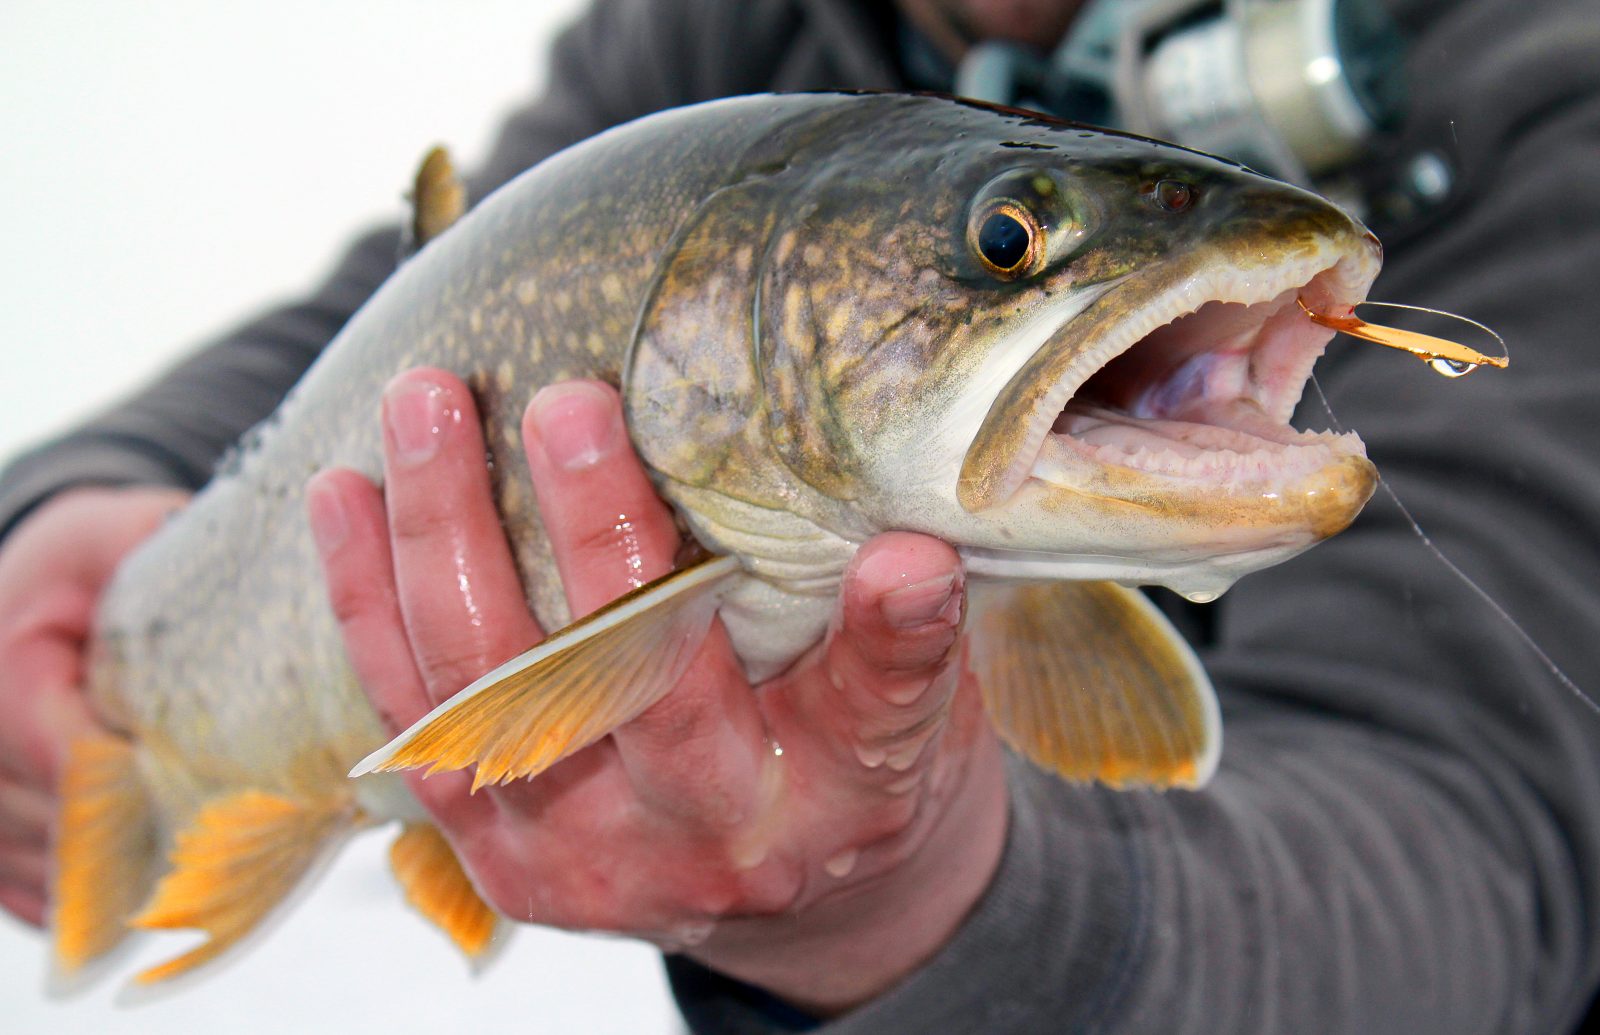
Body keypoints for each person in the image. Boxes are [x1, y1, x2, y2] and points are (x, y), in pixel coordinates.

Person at [2, 0, 1598, 1030]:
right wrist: (65, 511)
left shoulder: (1546, 89)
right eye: (1011, 241)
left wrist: (905, 910)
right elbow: (406, 304)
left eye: (1003, 242)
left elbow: (1477, 866)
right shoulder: (718, 34)